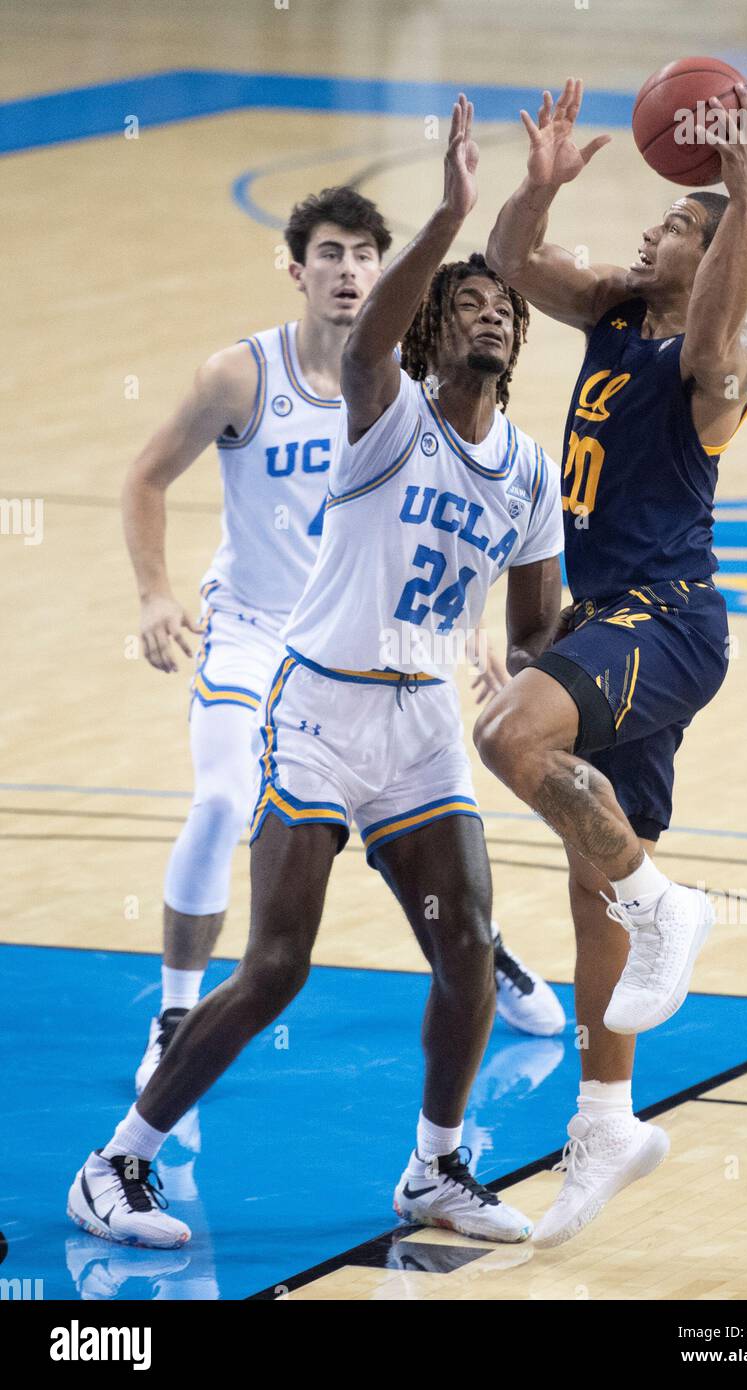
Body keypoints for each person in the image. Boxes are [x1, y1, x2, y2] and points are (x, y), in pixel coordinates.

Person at [68, 97, 566, 1249]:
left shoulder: (528, 471)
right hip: (317, 710)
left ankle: (436, 1168)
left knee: (466, 949)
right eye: (468, 305)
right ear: (430, 338)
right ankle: (115, 1162)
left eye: (504, 307)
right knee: (280, 965)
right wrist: (455, 210)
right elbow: (381, 329)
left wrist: (560, 676)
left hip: (421, 726)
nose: (489, 314)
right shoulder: (384, 411)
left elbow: (540, 626)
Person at [476, 78, 747, 1247]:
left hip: (670, 617)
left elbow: (707, 329)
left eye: (677, 225)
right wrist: (536, 188)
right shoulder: (606, 308)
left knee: (508, 738)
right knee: (583, 870)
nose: (651, 225)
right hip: (609, 617)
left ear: (715, 260)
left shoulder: (724, 350)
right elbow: (508, 263)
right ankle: (606, 1119)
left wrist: (743, 196)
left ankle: (667, 908)